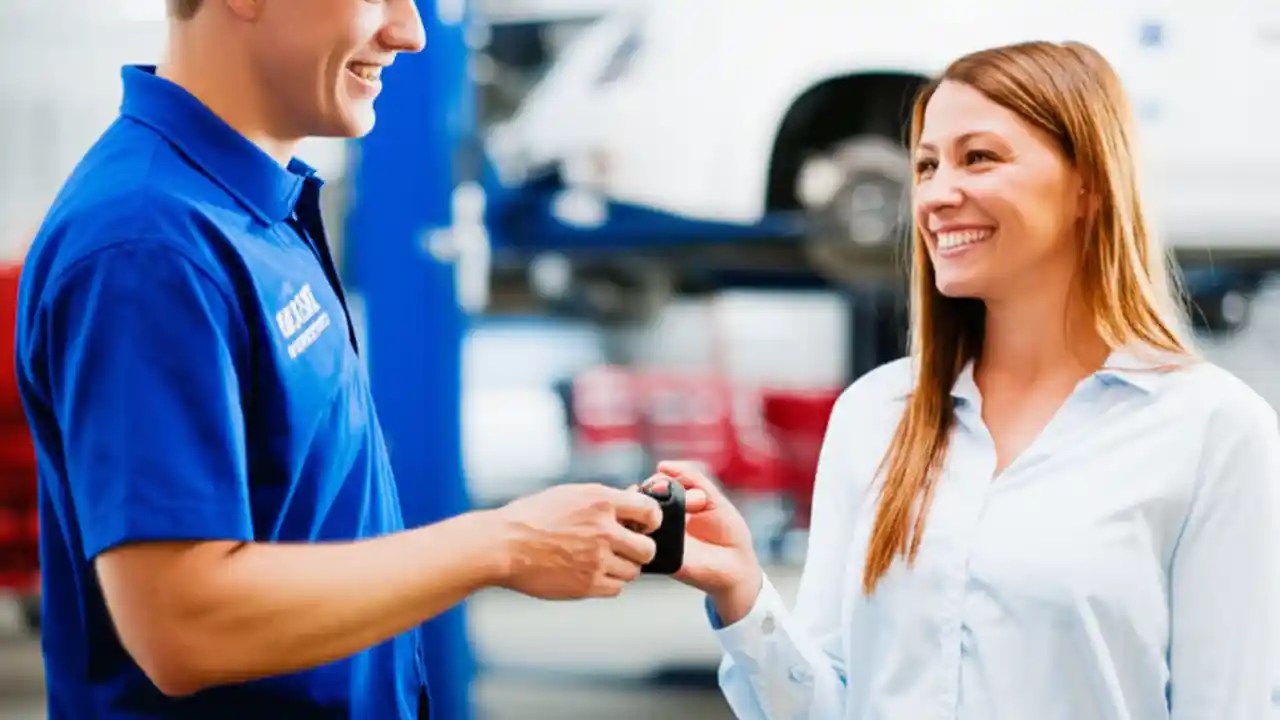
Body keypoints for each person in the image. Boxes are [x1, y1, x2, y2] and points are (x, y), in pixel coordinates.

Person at [14, 1, 664, 718]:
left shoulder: (248, 207)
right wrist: (503, 544)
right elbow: (185, 624)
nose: (409, 32)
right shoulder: (149, 247)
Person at [654, 40, 1280, 719]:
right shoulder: (875, 415)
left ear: (1088, 186)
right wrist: (742, 593)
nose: (935, 194)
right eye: (925, 164)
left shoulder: (1212, 430)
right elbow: (830, 705)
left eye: (978, 157)